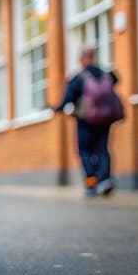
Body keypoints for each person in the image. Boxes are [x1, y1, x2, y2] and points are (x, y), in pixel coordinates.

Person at [53, 45, 123, 197]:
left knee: (84, 150)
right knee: (103, 149)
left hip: (85, 120)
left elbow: (67, 101)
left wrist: (56, 108)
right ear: (94, 58)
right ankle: (104, 180)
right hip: (106, 119)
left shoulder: (78, 78)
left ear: (82, 59)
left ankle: (91, 182)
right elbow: (117, 80)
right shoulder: (106, 75)